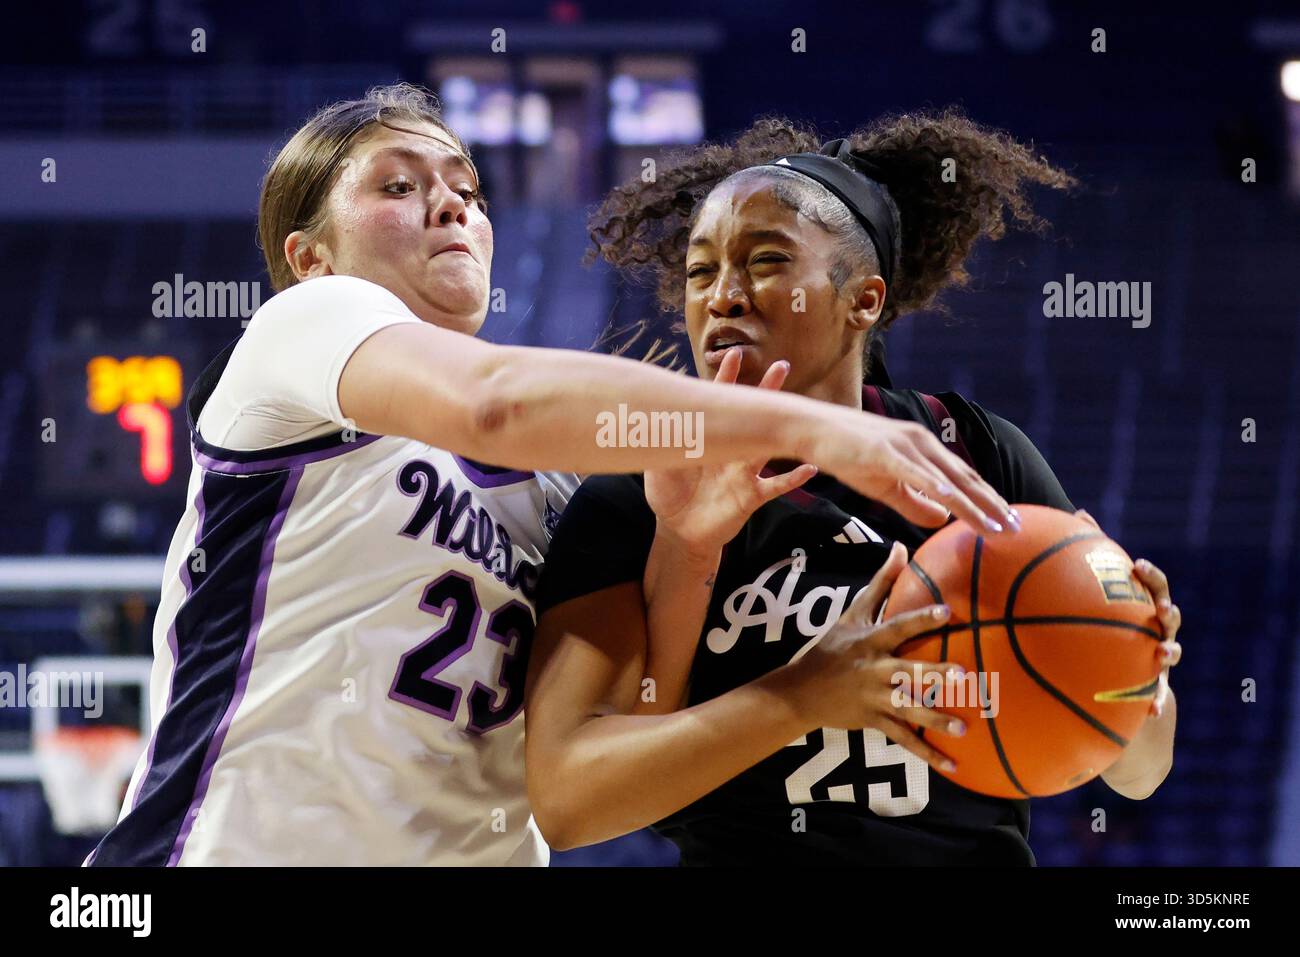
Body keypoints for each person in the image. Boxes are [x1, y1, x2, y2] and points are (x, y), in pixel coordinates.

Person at [87, 87, 1010, 867]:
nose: (451, 206)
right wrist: (820, 423)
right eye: (400, 186)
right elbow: (493, 400)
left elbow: (624, 736)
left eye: (467, 189)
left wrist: (684, 549)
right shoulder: (302, 329)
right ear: (309, 256)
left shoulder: (558, 492)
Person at [526, 111, 1182, 865]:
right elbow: (570, 801)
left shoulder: (971, 450)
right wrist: (801, 691)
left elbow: (1140, 767)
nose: (723, 295)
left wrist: (1135, 665)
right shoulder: (638, 485)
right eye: (701, 272)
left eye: (765, 260)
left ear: (862, 301)